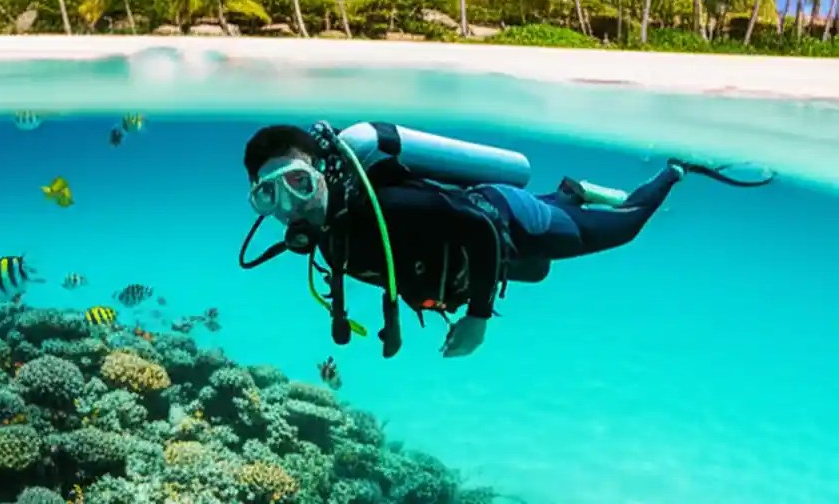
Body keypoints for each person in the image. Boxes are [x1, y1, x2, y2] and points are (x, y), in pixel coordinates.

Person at [238, 121, 773, 359]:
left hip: (506, 219)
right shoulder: (332, 239)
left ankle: (675, 170)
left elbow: (475, 228)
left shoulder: (393, 205)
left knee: (624, 230)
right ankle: (572, 190)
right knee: (538, 270)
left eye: (299, 185)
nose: (292, 208)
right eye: (270, 197)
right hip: (478, 254)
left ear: (324, 174)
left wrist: (476, 320)